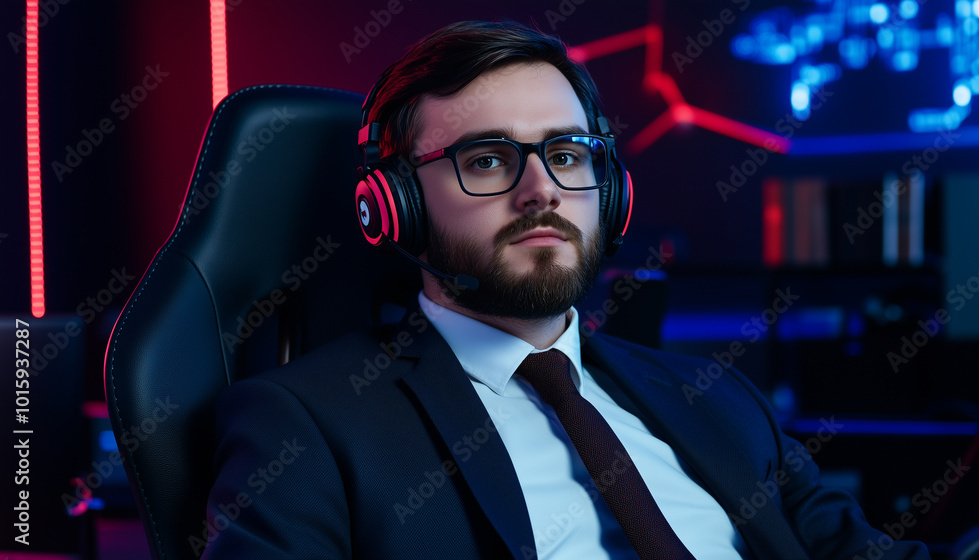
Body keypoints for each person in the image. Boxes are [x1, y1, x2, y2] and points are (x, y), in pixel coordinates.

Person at [202, 20, 931, 559]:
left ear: (610, 191)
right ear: (394, 205)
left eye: (567, 153)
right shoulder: (304, 424)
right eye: (487, 160)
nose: (541, 190)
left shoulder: (714, 395)